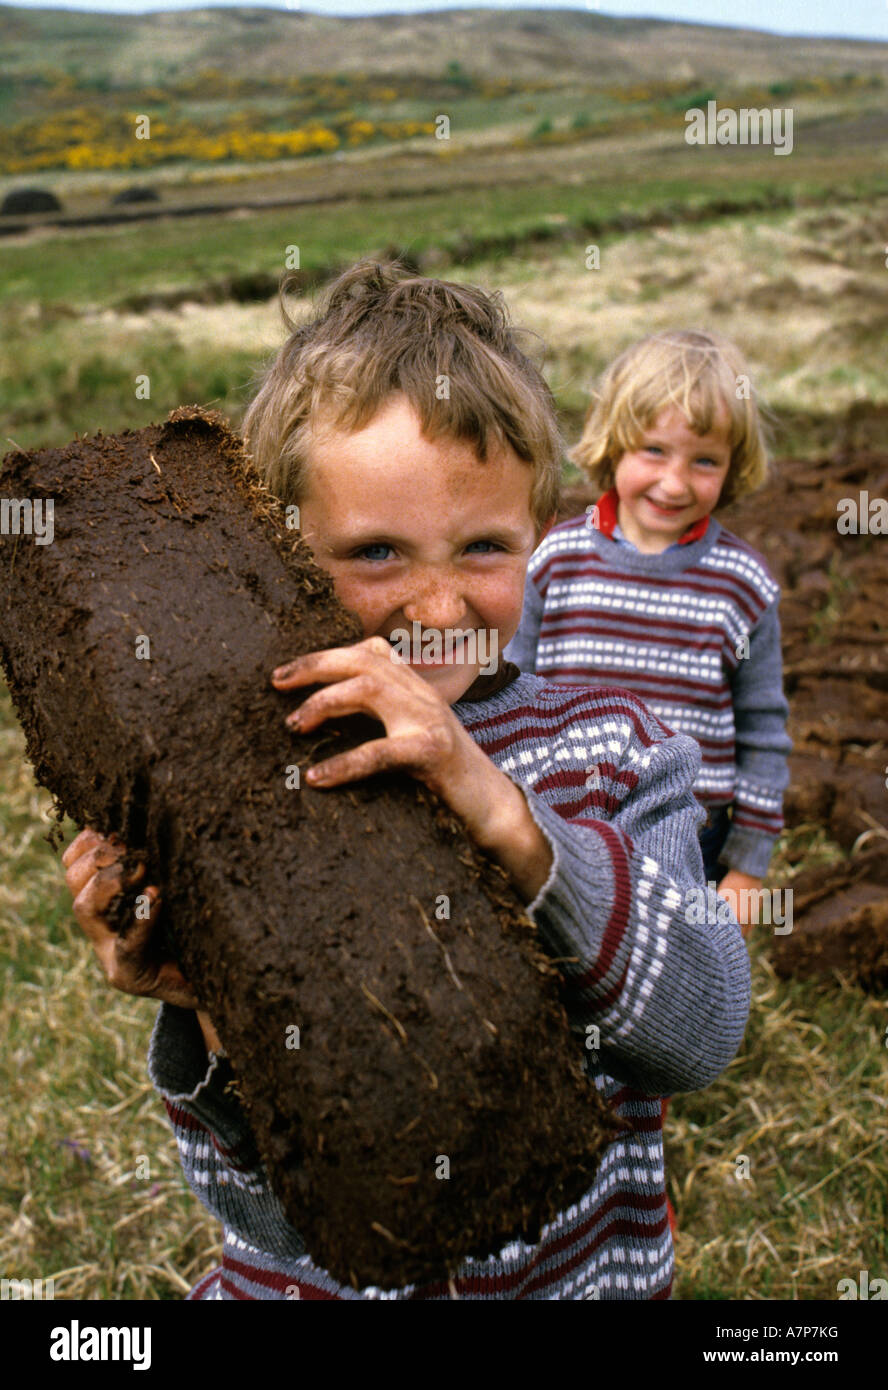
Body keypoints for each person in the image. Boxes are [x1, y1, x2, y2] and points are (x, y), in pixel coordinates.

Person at [61, 264, 750, 1301]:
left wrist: (504, 816)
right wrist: (207, 1003)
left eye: (483, 547)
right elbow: (271, 1224)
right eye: (376, 551)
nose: (436, 603)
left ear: (542, 537)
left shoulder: (614, 753)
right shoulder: (237, 787)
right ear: (277, 550)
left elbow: (698, 1031)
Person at [506, 330, 792, 937]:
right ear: (613, 444)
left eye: (704, 460)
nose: (674, 482)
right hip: (567, 816)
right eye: (654, 451)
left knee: (675, 983)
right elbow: (510, 684)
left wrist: (747, 865)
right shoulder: (554, 559)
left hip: (693, 833)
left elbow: (765, 728)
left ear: (734, 467)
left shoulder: (743, 584)